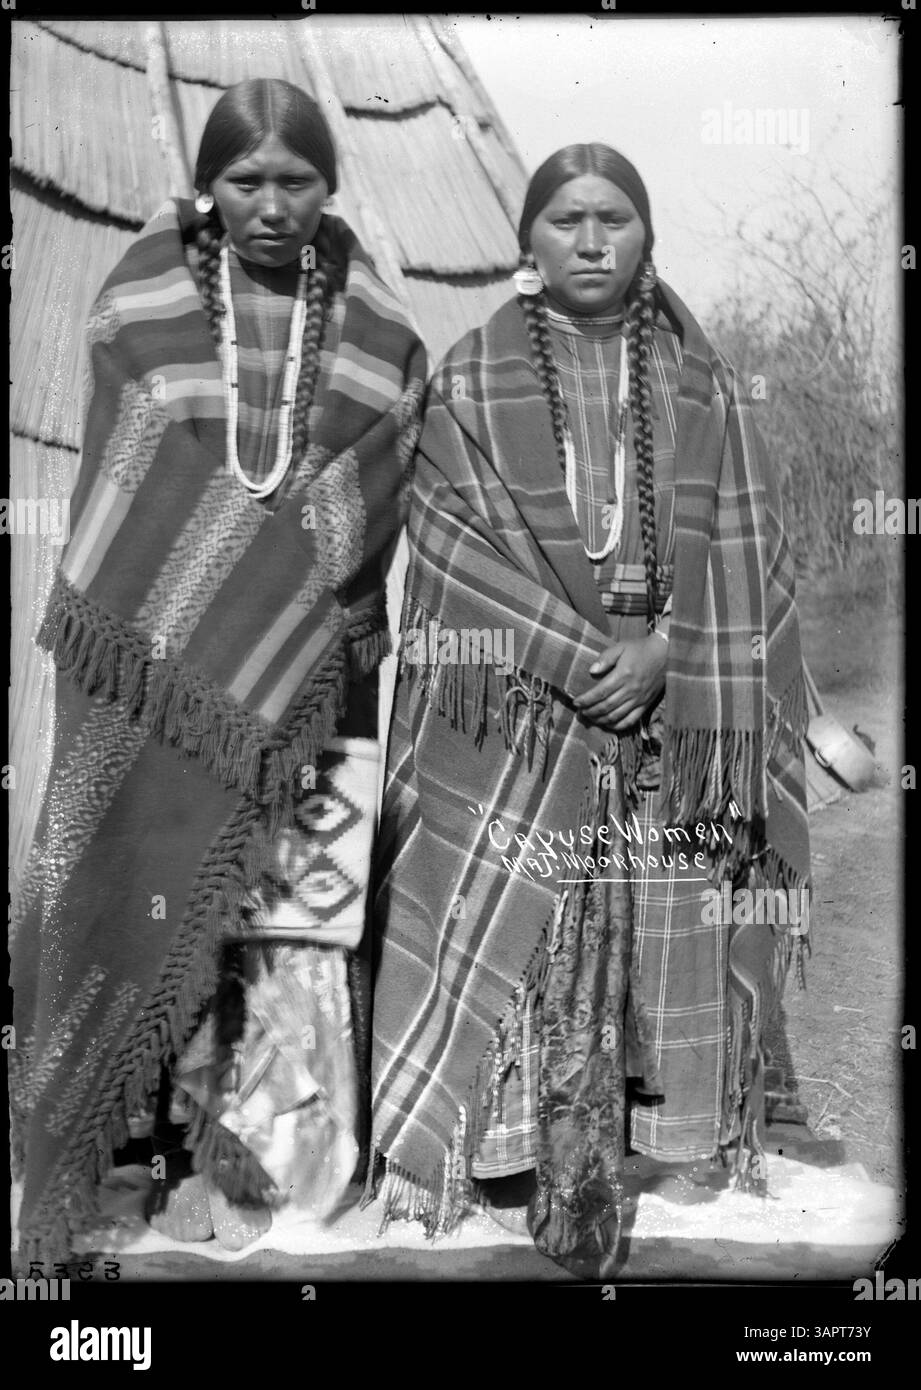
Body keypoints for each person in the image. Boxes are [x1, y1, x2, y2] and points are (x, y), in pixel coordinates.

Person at [369, 143, 810, 1277]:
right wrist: (579, 657)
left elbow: (755, 573)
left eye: (616, 216)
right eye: (567, 218)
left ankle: (659, 1135)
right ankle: (505, 1149)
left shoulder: (704, 388)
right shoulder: (469, 377)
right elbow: (444, 541)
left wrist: (665, 652)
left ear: (646, 236)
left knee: (669, 901)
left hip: (669, 706)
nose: (593, 238)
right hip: (521, 705)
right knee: (522, 907)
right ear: (528, 242)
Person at [11, 78, 426, 1263]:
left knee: (290, 925)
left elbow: (372, 498)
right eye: (246, 180)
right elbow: (126, 505)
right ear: (209, 185)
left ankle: (263, 1172)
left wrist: (273, 598)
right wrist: (221, 603)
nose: (271, 204)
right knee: (138, 892)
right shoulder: (138, 308)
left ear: (329, 185)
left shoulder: (381, 336)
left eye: (296, 180)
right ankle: (123, 1160)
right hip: (150, 683)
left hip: (305, 685)